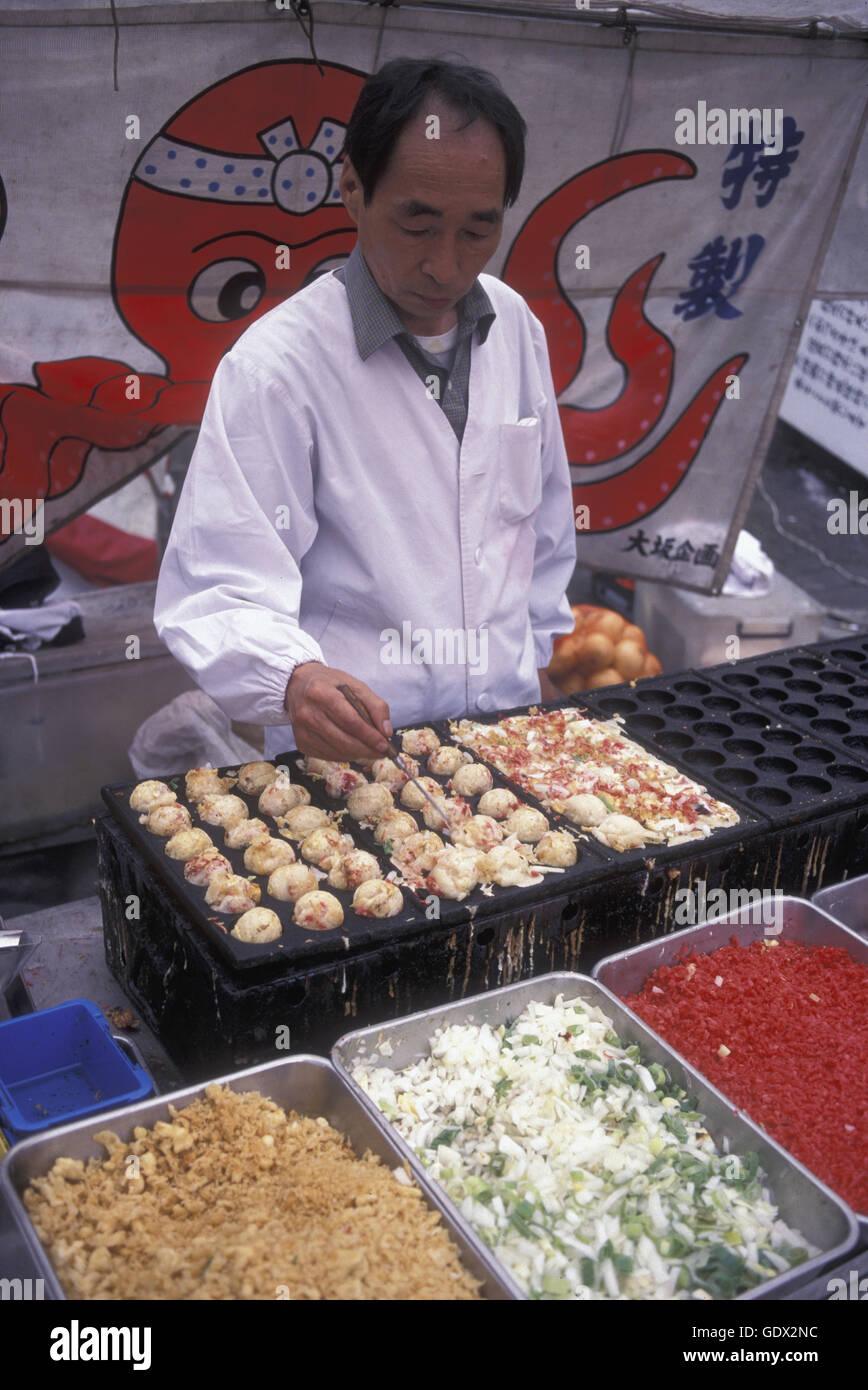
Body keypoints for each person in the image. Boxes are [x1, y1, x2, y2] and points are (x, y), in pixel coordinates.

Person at [154, 58, 576, 763]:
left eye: (478, 230)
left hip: (507, 748)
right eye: (418, 223)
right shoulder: (276, 369)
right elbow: (219, 587)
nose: (445, 264)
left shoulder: (516, 327)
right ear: (352, 187)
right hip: (360, 764)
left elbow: (546, 532)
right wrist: (295, 679)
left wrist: (534, 659)